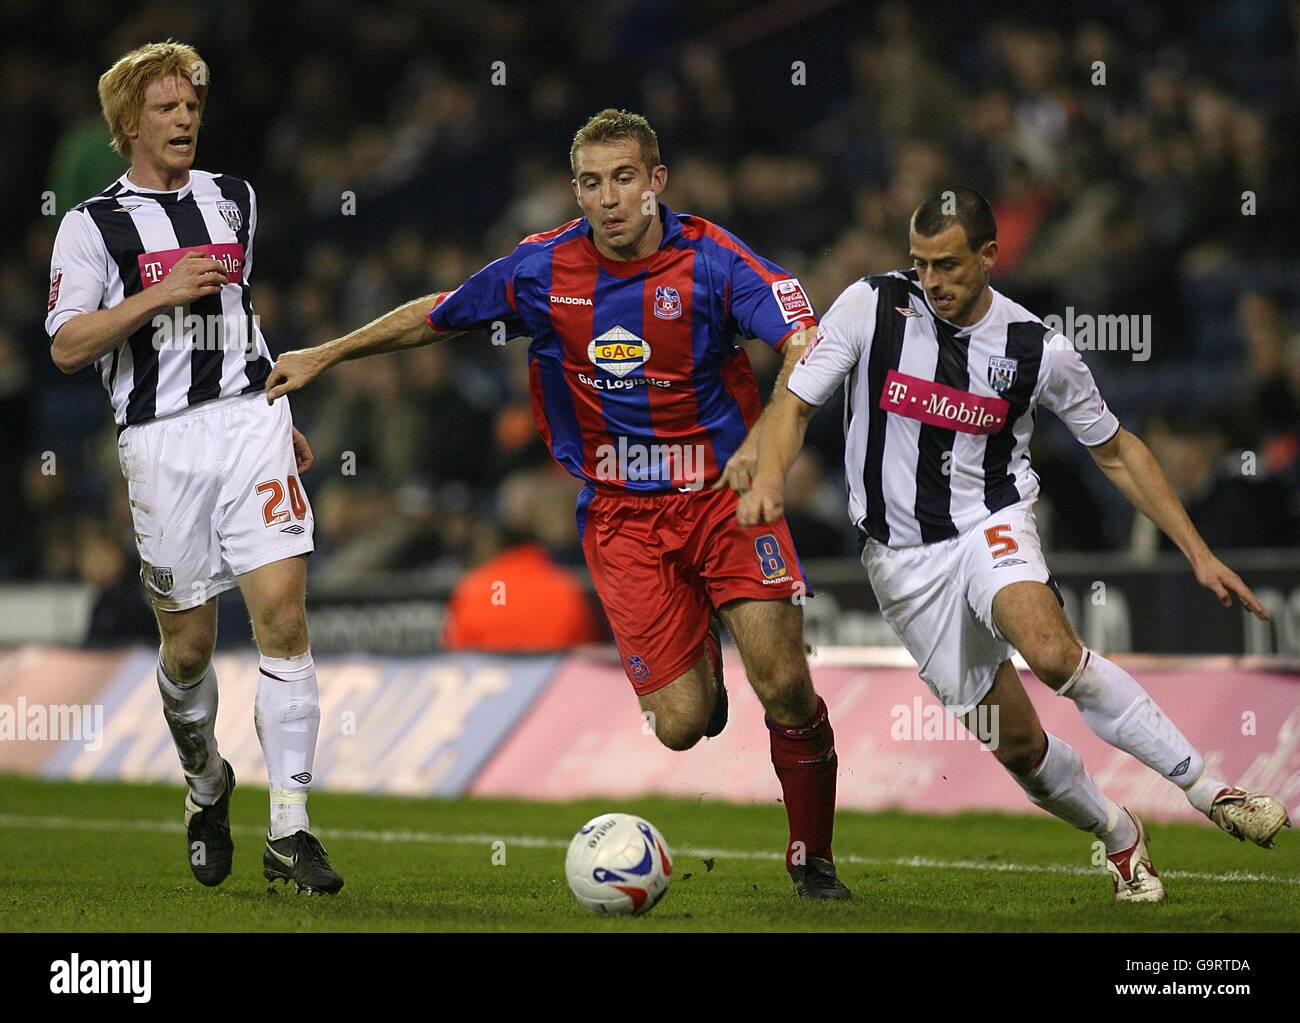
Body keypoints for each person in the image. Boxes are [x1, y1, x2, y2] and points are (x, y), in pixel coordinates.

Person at [266, 109, 848, 899]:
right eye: (591, 182)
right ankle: (701, 654)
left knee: (782, 678)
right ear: (575, 189)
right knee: (680, 724)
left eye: (624, 179)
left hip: (727, 496)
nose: (609, 198)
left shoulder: (714, 260)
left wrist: (772, 442)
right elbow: (437, 314)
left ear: (656, 182)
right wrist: (327, 353)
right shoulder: (542, 269)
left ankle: (811, 859)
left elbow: (804, 340)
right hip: (621, 519)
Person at [738, 186, 1289, 903]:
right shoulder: (871, 306)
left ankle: (1210, 789)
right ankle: (1118, 833)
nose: (932, 280)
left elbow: (1117, 450)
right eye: (920, 262)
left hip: (989, 522)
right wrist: (770, 476)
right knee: (1021, 746)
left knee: (1055, 651)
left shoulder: (1037, 348)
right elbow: (795, 403)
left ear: (990, 255)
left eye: (949, 263)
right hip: (902, 564)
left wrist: (1198, 552)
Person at [45, 42, 342, 894]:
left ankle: (292, 829)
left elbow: (242, 315)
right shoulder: (92, 225)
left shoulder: (235, 200)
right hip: (160, 441)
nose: (185, 121)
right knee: (189, 646)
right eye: (167, 109)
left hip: (250, 423)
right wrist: (154, 294)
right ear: (128, 123)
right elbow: (67, 345)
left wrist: (273, 401)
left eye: (192, 107)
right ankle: (207, 784)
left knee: (283, 616)